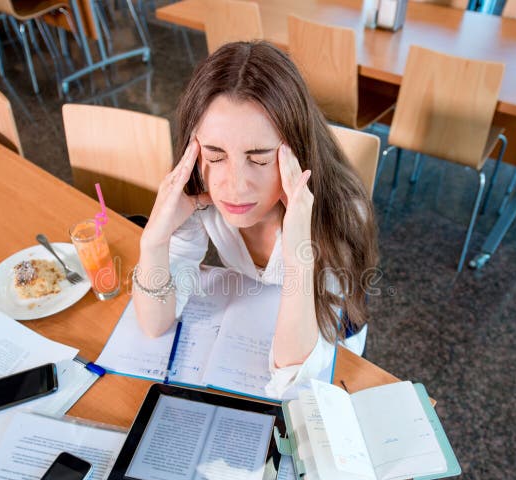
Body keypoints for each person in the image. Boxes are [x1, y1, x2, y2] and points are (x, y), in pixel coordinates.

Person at [132, 41, 378, 397]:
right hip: (258, 318)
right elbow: (155, 323)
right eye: (215, 155)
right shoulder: (200, 192)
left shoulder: (341, 214)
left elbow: (293, 370)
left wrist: (298, 253)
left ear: (297, 149)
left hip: (329, 338)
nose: (234, 186)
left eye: (259, 159)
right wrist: (153, 241)